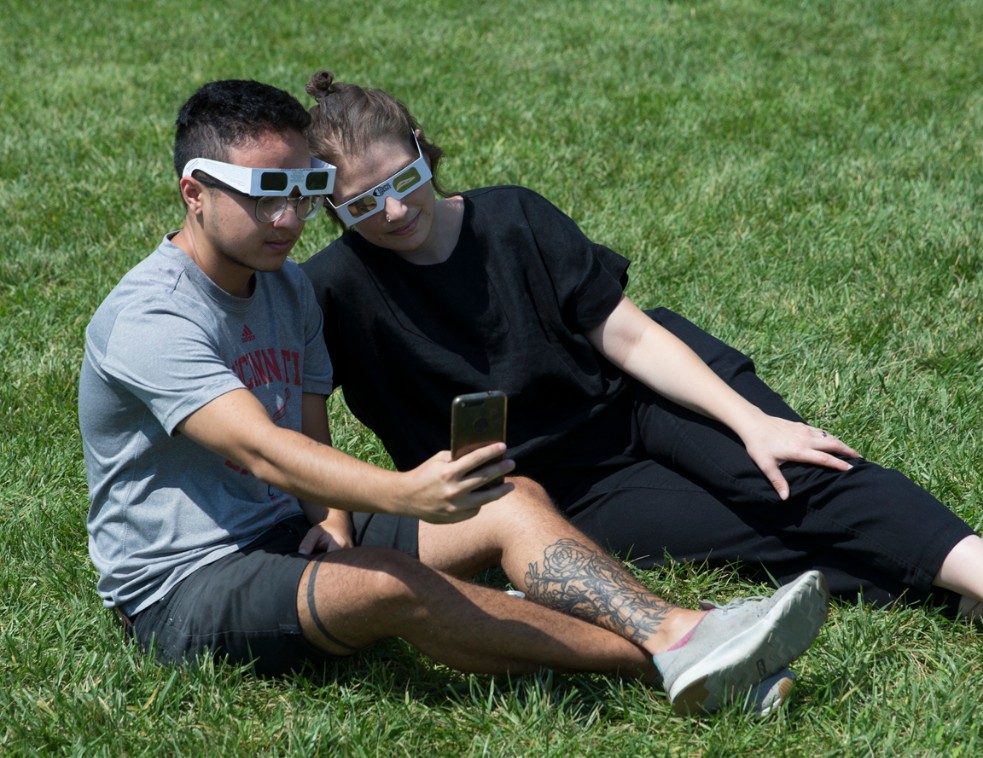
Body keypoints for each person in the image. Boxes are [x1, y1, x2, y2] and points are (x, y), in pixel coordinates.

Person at [298, 71, 983, 688]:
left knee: (797, 473)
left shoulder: (514, 215)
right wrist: (342, 514)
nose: (395, 212)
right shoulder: (334, 287)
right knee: (753, 537)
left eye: (404, 182)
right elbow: (306, 408)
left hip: (641, 399)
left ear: (421, 150)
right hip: (562, 488)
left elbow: (626, 333)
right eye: (364, 204)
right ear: (332, 208)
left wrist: (750, 419)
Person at [77, 78, 833, 717]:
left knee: (506, 495)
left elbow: (309, 432)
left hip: (288, 528)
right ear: (195, 192)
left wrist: (337, 521)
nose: (290, 219)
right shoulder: (151, 317)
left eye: (305, 191)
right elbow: (260, 447)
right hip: (185, 586)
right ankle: (672, 657)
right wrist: (406, 494)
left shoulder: (288, 289)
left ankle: (678, 631)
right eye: (265, 195)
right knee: (393, 582)